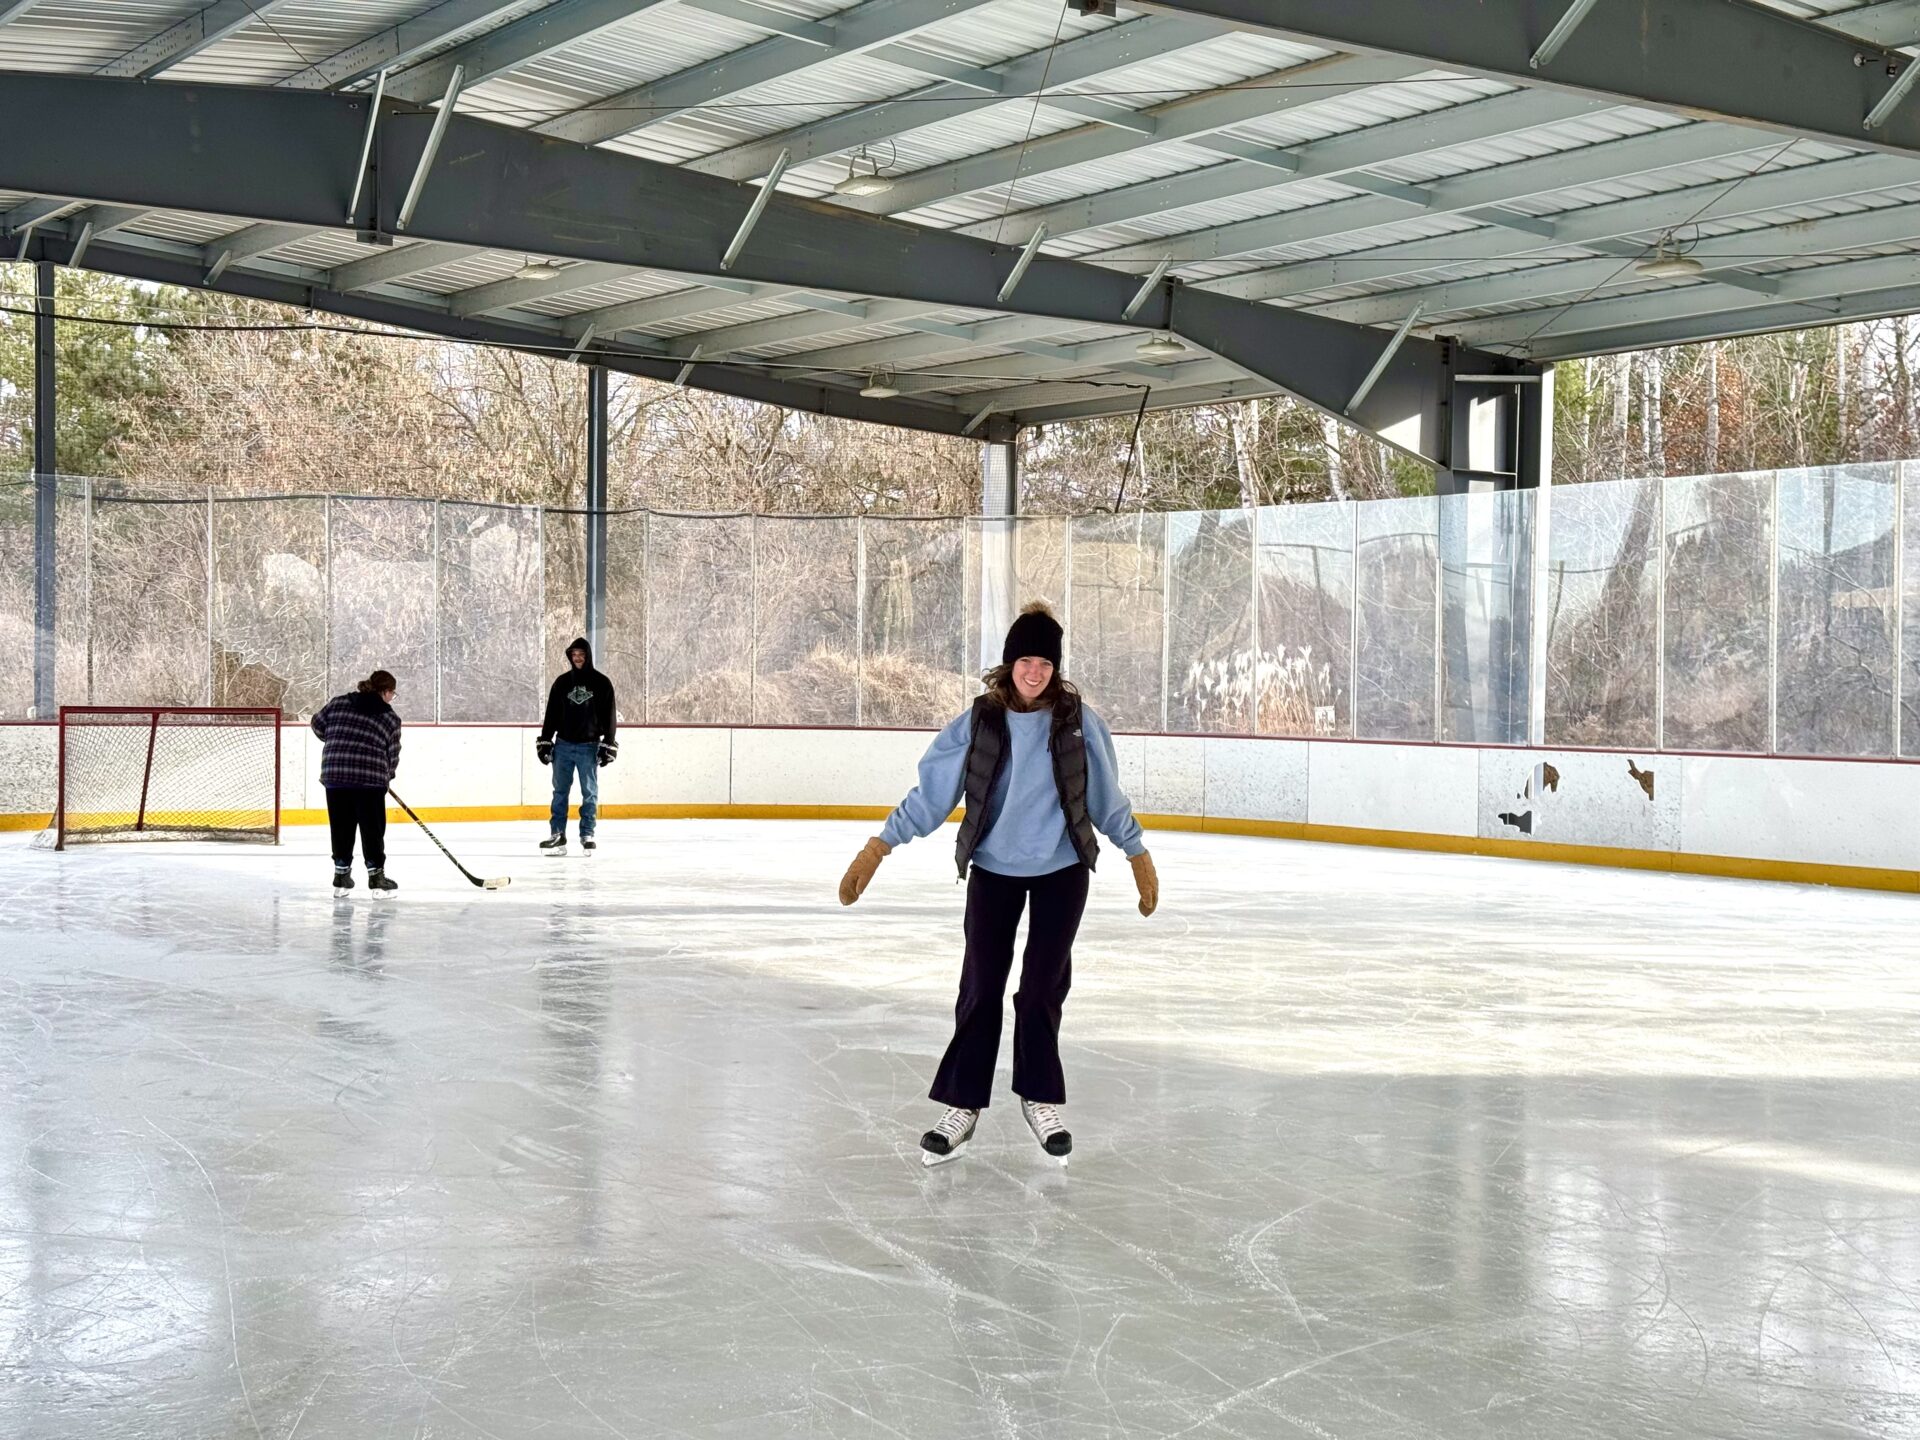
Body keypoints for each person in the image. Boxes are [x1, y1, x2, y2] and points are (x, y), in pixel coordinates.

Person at [838, 601, 1159, 1168]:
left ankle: (1039, 1096)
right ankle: (962, 1106)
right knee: (981, 987)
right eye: (1026, 660)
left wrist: (1136, 852)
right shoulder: (980, 721)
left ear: (1055, 669)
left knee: (1041, 990)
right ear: (1010, 663)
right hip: (993, 869)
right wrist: (880, 845)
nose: (1035, 672)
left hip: (1062, 870)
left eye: (1045, 663)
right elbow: (932, 796)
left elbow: (1106, 797)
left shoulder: (1078, 722)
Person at [311, 669, 403, 893]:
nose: (392, 698)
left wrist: (336, 740)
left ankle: (341, 875)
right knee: (372, 829)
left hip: (336, 774)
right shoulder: (390, 718)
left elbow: (317, 724)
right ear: (385, 691)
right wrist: (387, 776)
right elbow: (392, 754)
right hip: (369, 779)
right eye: (392, 693)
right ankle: (376, 877)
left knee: (341, 827)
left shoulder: (339, 703)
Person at [537, 636, 617, 854]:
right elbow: (552, 713)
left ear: (588, 656)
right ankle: (557, 834)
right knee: (560, 792)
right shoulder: (562, 682)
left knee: (589, 792)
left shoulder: (601, 683)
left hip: (589, 747)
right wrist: (545, 740)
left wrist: (609, 743)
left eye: (581, 654)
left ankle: (587, 834)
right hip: (563, 745)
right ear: (570, 656)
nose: (578, 658)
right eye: (574, 654)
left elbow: (609, 715)